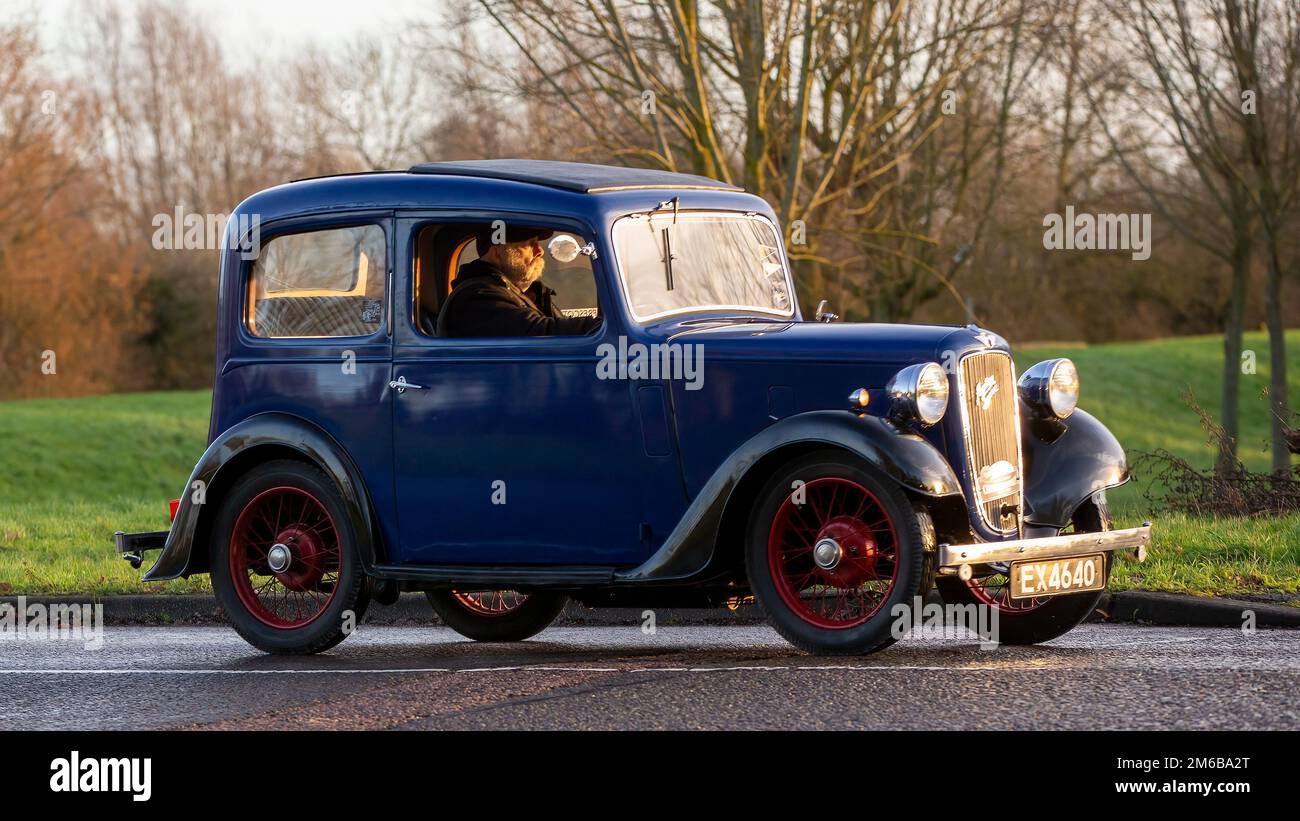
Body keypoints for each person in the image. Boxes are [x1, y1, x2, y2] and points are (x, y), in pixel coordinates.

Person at [437, 226, 600, 337]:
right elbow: (539, 333)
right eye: (529, 245)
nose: (540, 250)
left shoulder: (524, 293)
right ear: (497, 252)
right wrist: (601, 326)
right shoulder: (476, 299)